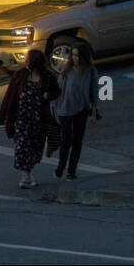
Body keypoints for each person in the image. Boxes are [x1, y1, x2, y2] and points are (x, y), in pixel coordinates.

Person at [0, 48, 60, 189]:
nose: (25, 61)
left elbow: (56, 91)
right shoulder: (20, 75)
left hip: (39, 120)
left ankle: (28, 174)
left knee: (35, 148)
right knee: (22, 146)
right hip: (21, 118)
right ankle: (25, 177)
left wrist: (48, 96)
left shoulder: (47, 77)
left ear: (35, 62)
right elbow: (9, 97)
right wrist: (2, 117)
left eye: (27, 59)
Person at [52, 43, 100, 180]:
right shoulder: (66, 70)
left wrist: (94, 112)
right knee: (66, 140)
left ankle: (71, 170)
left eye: (78, 56)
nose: (75, 58)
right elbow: (57, 90)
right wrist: (53, 107)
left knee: (78, 141)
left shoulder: (90, 71)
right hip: (65, 109)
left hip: (81, 109)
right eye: (73, 55)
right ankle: (61, 167)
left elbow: (94, 92)